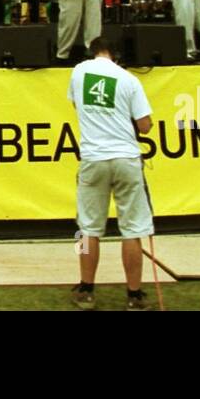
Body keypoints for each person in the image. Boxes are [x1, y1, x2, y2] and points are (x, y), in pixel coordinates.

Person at [68, 37, 155, 311]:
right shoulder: (128, 79)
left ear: (92, 52)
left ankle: (86, 289)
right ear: (115, 54)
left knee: (86, 229)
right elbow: (145, 126)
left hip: (94, 157)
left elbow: (76, 105)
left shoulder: (79, 72)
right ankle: (134, 294)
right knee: (132, 229)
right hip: (125, 157)